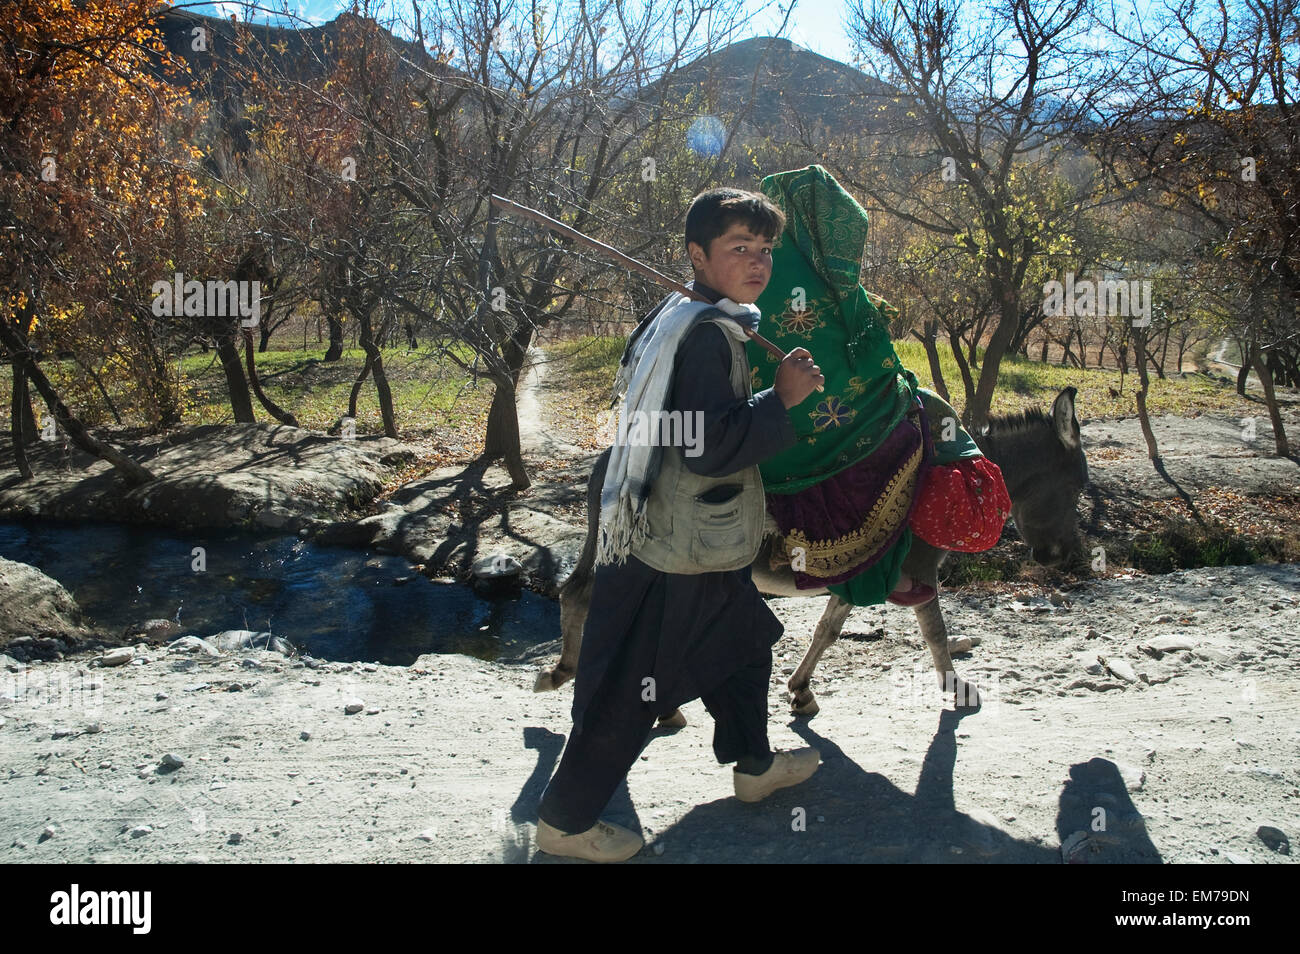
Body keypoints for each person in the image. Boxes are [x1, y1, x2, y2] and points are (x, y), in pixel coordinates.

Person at [535, 187, 826, 862]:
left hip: (687, 533)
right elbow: (707, 446)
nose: (757, 263)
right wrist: (782, 401)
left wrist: (759, 397)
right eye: (738, 249)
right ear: (697, 254)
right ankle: (565, 822)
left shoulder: (683, 314)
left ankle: (753, 765)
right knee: (633, 687)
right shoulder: (701, 337)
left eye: (765, 250)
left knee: (748, 641)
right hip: (677, 544)